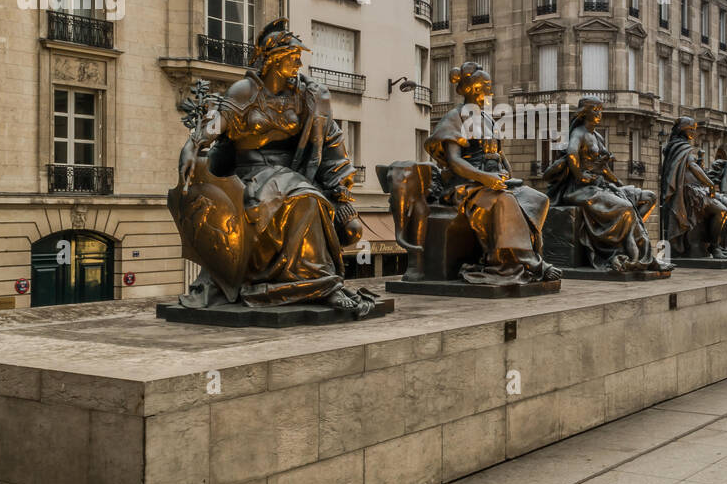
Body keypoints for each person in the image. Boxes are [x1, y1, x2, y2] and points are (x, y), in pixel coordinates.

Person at [173, 19, 375, 315]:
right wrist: (192, 146)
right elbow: (216, 125)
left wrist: (343, 201)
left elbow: (332, 144)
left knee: (305, 195)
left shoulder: (307, 97)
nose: (298, 63)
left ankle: (310, 283)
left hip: (293, 176)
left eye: (298, 58)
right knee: (304, 198)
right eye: (292, 57)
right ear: (272, 59)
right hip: (249, 175)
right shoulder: (245, 91)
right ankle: (320, 284)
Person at [424, 61, 561, 285]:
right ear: (473, 88)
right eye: (487, 86)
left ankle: (524, 254)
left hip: (493, 181)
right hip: (467, 184)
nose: (491, 91)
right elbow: (455, 161)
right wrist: (485, 178)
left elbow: (500, 154)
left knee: (538, 198)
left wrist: (507, 175)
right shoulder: (455, 116)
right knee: (505, 201)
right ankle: (516, 262)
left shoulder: (488, 118)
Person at [543, 96, 664, 270]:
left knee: (649, 197)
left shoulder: (597, 136)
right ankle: (620, 249)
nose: (599, 113)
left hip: (602, 185)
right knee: (626, 208)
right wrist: (581, 176)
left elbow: (604, 168)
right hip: (581, 190)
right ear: (584, 113)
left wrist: (619, 183)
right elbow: (571, 153)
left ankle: (626, 238)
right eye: (595, 109)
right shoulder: (579, 133)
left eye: (600, 109)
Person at [659, 117, 727, 258]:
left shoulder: (682, 146)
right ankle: (715, 248)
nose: (694, 132)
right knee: (722, 210)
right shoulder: (679, 146)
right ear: (682, 129)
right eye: (691, 129)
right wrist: (710, 184)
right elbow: (692, 167)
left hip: (699, 189)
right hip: (690, 191)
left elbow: (693, 167)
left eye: (695, 129)